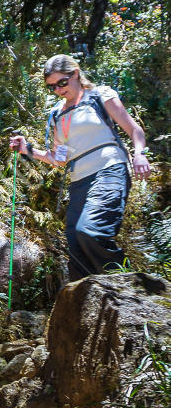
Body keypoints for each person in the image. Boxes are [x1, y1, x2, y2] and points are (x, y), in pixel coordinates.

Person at [8, 54, 153, 280]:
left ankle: (126, 284)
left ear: (75, 74)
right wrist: (28, 150)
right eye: (52, 86)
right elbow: (60, 158)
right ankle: (87, 303)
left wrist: (139, 154)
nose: (57, 89)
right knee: (76, 247)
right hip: (80, 181)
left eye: (62, 82)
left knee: (91, 231)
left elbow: (134, 130)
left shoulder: (99, 96)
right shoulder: (58, 114)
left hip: (110, 168)